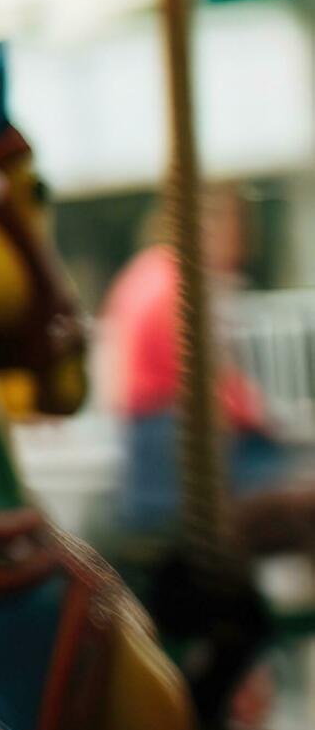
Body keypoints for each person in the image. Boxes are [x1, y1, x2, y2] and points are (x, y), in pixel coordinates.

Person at [103, 185, 289, 543]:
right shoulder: (178, 286)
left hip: (148, 441)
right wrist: (248, 413)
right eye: (235, 225)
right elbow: (200, 385)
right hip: (170, 439)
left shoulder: (146, 271)